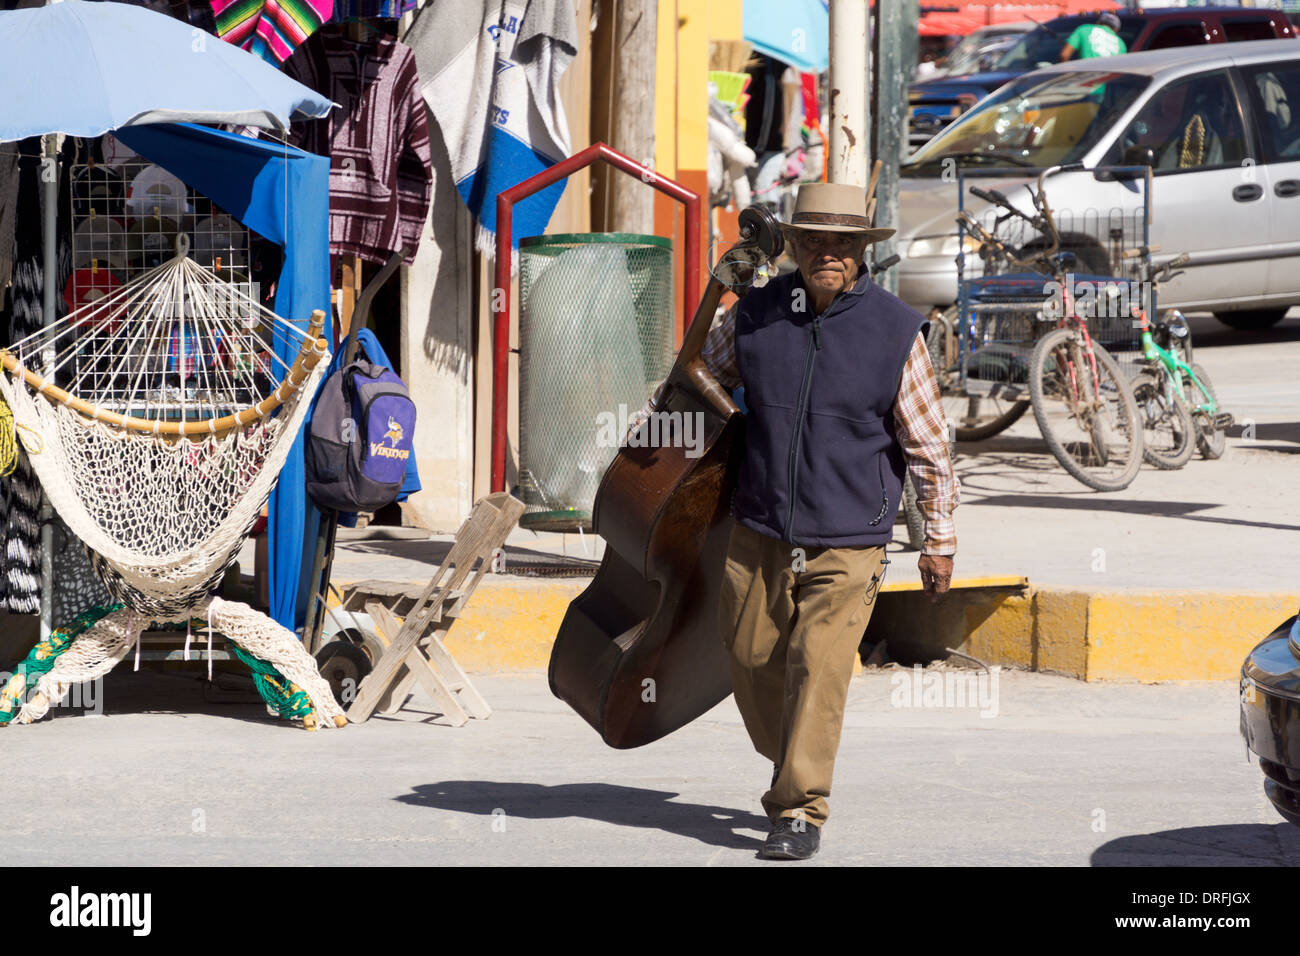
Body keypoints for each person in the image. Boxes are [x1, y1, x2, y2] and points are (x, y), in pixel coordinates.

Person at [631, 183, 959, 860]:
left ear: (862, 251)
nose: (827, 254)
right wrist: (650, 427)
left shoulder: (896, 330)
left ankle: (799, 809)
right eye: (814, 241)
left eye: (842, 243)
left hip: (850, 535)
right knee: (751, 657)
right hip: (760, 526)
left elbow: (929, 448)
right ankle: (791, 756)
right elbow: (694, 380)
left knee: (819, 666)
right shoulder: (756, 314)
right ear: (796, 247)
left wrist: (938, 540)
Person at [1060, 12, 1125, 61]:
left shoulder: (1084, 29)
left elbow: (1064, 55)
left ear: (1097, 23)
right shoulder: (1121, 44)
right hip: (1109, 77)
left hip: (1087, 76)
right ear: (1116, 30)